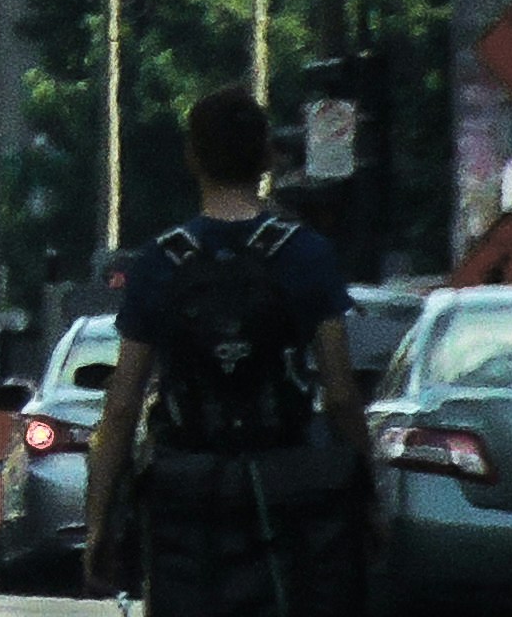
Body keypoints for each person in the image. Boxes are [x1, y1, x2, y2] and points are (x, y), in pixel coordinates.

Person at [84, 87, 374, 615]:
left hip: (185, 500)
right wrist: (367, 492)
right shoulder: (306, 254)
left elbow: (123, 404)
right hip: (288, 498)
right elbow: (339, 394)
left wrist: (101, 518)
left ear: (191, 157)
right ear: (267, 157)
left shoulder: (160, 261)